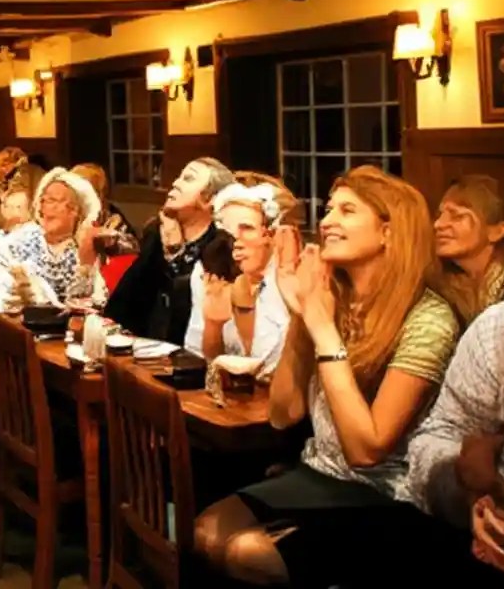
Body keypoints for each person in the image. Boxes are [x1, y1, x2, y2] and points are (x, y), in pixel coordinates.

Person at [193, 166, 459, 588]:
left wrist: (323, 328)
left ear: (390, 231)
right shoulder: (333, 296)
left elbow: (367, 450)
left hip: (390, 495)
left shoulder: (427, 318)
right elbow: (284, 414)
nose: (328, 220)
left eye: (347, 210)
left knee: (247, 553)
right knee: (207, 531)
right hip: (321, 471)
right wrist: (301, 315)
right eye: (331, 208)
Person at [408, 182, 504, 587]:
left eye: (459, 215)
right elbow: (435, 441)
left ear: (498, 230)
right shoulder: (502, 328)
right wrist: (479, 492)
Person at [0, 168, 106, 489]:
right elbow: (2, 290)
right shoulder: (18, 241)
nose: (48, 207)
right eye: (45, 200)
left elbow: (88, 302)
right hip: (16, 336)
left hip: (58, 344)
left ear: (77, 212)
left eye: (59, 202)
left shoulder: (81, 251)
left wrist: (85, 265)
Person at [104, 158, 234, 344]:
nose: (175, 183)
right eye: (179, 177)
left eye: (188, 179)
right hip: (143, 353)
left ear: (210, 199)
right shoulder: (157, 234)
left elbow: (185, 319)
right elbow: (121, 306)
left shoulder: (220, 247)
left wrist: (175, 256)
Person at [183, 173, 299, 380]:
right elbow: (201, 362)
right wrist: (213, 326)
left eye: (246, 228)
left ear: (273, 235)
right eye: (226, 230)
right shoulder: (209, 273)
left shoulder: (294, 280)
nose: (235, 240)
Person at [432, 174, 504, 325]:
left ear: (497, 231)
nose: (438, 224)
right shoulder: (437, 287)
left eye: (457, 216)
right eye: (440, 215)